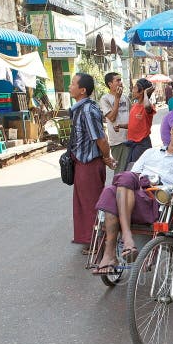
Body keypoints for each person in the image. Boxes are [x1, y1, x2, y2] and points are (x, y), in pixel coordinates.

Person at [92, 114, 173, 274]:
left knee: (115, 188)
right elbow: (131, 178)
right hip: (131, 197)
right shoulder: (149, 153)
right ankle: (117, 249)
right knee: (113, 188)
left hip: (155, 203)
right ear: (171, 130)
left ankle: (122, 243)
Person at [67, 72, 116, 250]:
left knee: (91, 205)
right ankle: (90, 240)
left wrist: (106, 157)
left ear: (82, 90)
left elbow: (101, 139)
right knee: (83, 205)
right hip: (82, 163)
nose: (69, 87)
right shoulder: (80, 108)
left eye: (73, 84)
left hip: (90, 165)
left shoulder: (88, 110)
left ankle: (99, 244)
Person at [99, 72, 131, 173]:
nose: (120, 82)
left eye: (120, 80)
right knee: (120, 171)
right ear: (110, 84)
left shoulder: (125, 97)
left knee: (130, 170)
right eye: (117, 80)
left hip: (130, 138)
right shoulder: (105, 99)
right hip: (117, 141)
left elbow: (132, 114)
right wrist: (117, 98)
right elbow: (112, 118)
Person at [126, 78, 156, 166]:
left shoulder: (148, 107)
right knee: (132, 169)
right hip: (133, 143)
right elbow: (133, 124)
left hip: (142, 144)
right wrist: (120, 126)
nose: (132, 90)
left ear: (141, 91)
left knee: (137, 171)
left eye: (135, 88)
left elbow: (147, 106)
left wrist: (146, 93)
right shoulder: (135, 106)